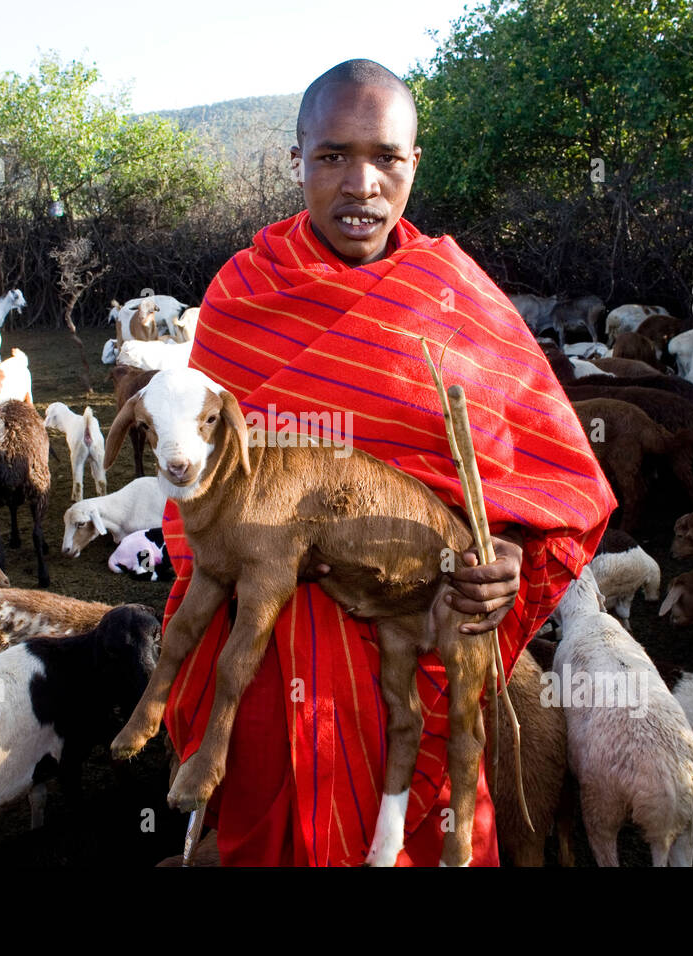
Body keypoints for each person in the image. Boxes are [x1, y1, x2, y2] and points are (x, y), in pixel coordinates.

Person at [158, 59, 615, 866]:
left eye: (385, 157)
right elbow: (197, 478)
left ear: (414, 163)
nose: (360, 183)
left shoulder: (456, 295)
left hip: (420, 625)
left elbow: (553, 472)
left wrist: (505, 552)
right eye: (332, 156)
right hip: (272, 641)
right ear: (294, 158)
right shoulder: (243, 295)